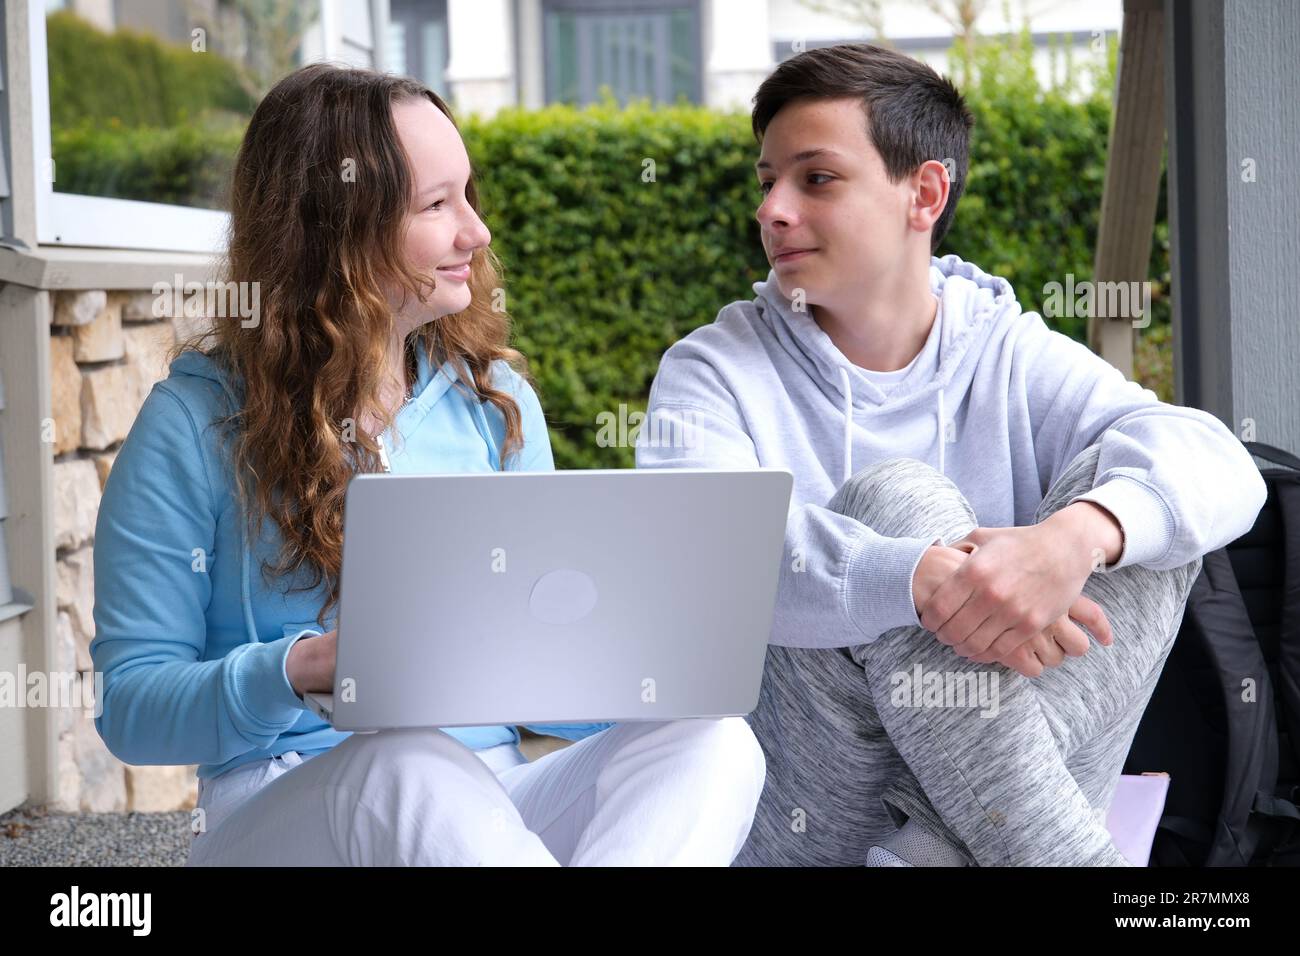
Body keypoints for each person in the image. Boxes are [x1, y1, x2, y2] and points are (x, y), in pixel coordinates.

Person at [90, 63, 764, 867]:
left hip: (492, 803)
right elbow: (130, 706)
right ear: (334, 229)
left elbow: (551, 693)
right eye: (436, 205)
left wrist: (641, 666)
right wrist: (296, 670)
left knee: (713, 741)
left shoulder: (495, 402)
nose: (475, 233)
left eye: (467, 195)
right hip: (290, 806)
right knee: (407, 760)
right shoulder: (193, 423)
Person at [635, 42, 1266, 866]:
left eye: (814, 178)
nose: (773, 210)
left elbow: (1221, 464)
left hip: (984, 813)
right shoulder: (711, 370)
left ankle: (933, 853)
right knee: (903, 502)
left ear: (924, 193)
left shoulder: (1005, 350)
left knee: (1141, 501)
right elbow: (699, 558)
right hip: (808, 811)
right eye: (767, 183)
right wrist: (920, 578)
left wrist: (1074, 538)